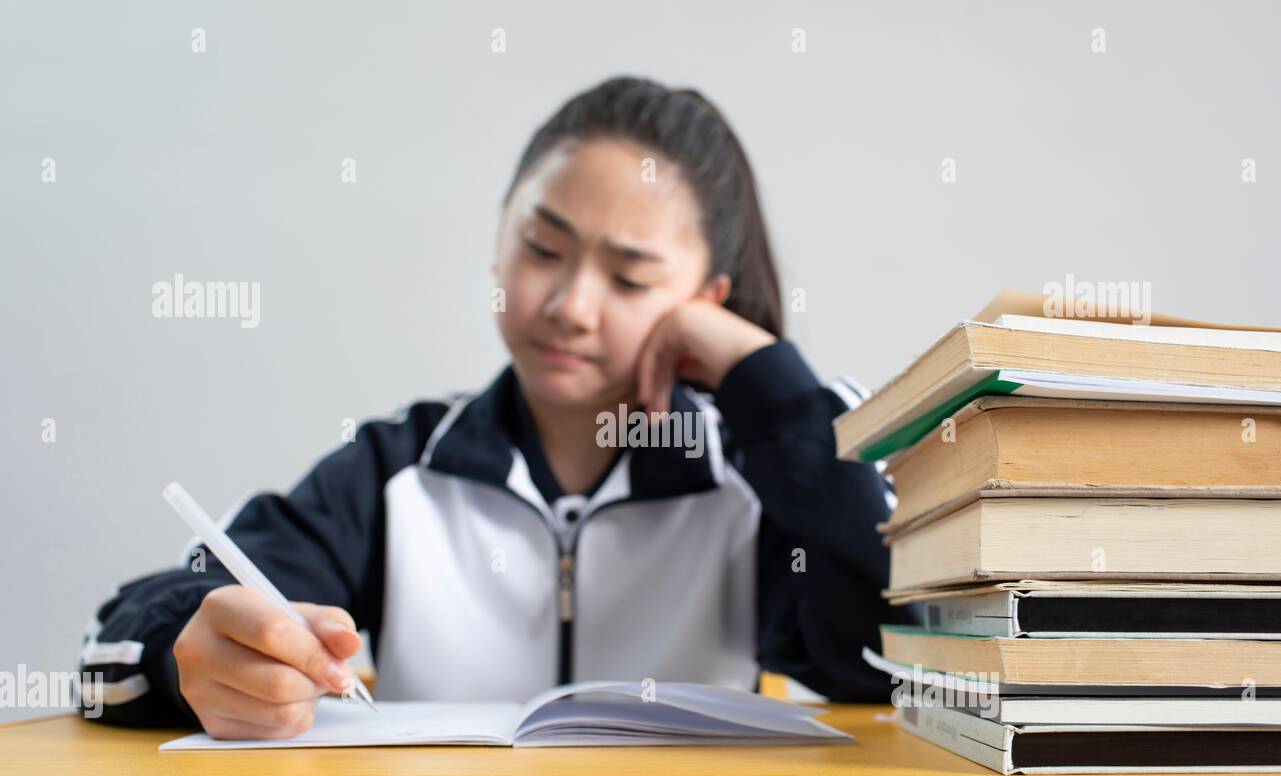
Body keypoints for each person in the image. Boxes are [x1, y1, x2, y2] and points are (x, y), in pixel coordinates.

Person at [79, 75, 916, 739]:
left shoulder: (752, 481)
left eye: (628, 279)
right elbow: (123, 637)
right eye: (543, 248)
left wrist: (761, 377)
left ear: (707, 299)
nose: (570, 305)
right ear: (498, 240)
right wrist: (187, 651)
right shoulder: (398, 468)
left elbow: (907, 644)